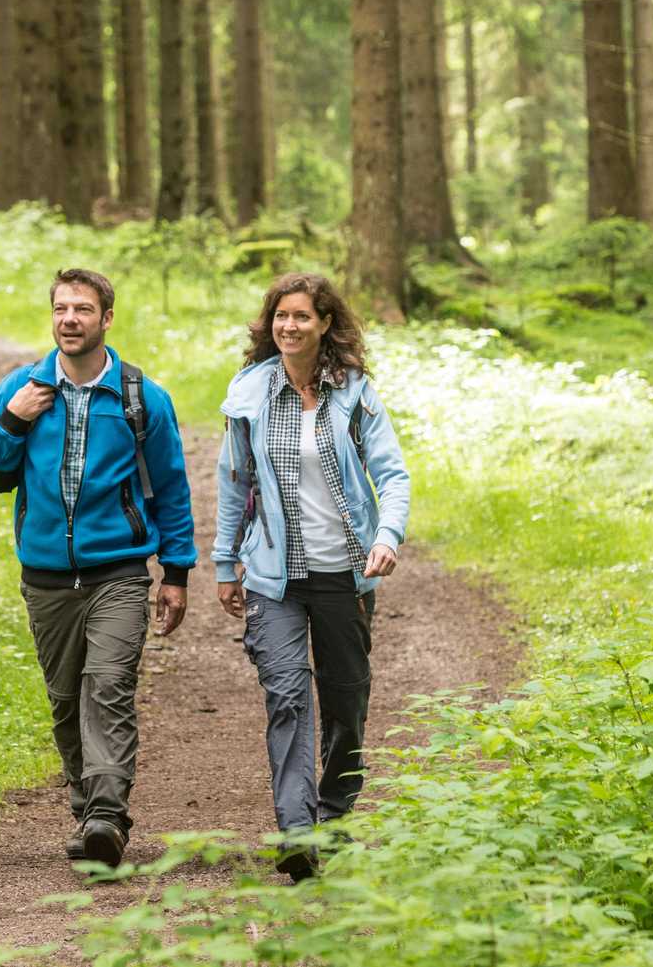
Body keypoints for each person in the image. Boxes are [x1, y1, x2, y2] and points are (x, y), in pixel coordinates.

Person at [0, 268, 197, 868]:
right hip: (45, 578)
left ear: (106, 319)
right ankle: (88, 810)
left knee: (109, 689)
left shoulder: (142, 397)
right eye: (61, 309)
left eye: (83, 309)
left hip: (116, 573)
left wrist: (175, 572)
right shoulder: (24, 388)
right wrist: (13, 420)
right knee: (66, 702)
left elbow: (171, 488)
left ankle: (107, 816)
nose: (70, 319)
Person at [212, 272, 411, 881]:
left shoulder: (354, 392)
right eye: (280, 316)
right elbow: (233, 481)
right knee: (288, 696)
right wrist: (226, 562)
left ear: (325, 323)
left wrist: (387, 537)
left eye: (301, 316)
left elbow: (393, 475)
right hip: (274, 575)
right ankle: (298, 833)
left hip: (343, 575)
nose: (289, 326)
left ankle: (334, 812)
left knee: (347, 703)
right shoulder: (250, 391)